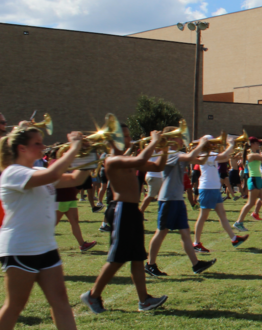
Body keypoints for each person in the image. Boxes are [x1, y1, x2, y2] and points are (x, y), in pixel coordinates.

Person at [0, 126, 91, 328]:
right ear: (22, 148)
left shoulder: (40, 170)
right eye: (37, 143)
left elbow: (77, 179)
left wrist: (90, 154)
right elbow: (51, 176)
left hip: (46, 246)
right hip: (20, 247)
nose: (43, 146)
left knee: (61, 303)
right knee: (15, 306)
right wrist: (74, 148)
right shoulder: (12, 173)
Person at [81, 127, 171, 314]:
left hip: (132, 210)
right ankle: (92, 295)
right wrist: (154, 141)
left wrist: (164, 150)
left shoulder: (127, 159)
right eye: (126, 136)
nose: (130, 139)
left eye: (129, 135)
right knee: (117, 258)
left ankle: (144, 300)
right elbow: (140, 160)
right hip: (121, 209)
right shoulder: (112, 160)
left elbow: (158, 168)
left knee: (138, 257)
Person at [144, 129, 217, 277]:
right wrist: (201, 144)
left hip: (177, 198)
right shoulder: (169, 153)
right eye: (178, 137)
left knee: (185, 233)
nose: (181, 140)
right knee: (161, 232)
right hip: (168, 199)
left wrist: (207, 150)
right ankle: (150, 264)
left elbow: (200, 160)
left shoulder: (178, 154)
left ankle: (196, 264)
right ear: (170, 139)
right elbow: (190, 156)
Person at [191, 136, 249, 253]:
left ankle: (234, 239)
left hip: (214, 188)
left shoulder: (210, 154)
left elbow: (224, 157)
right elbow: (224, 157)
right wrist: (231, 144)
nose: (214, 144)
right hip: (207, 188)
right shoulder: (204, 155)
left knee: (222, 215)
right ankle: (196, 243)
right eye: (211, 142)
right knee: (203, 216)